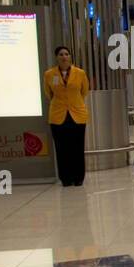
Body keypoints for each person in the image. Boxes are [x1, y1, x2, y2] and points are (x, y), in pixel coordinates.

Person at [44, 45, 89, 187]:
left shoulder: (80, 73)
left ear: (70, 57)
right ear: (56, 57)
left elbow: (84, 91)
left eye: (66, 54)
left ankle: (78, 177)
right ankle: (65, 178)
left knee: (77, 147)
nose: (64, 57)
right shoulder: (49, 74)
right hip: (58, 115)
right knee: (61, 148)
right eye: (61, 54)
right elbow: (48, 93)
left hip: (77, 114)